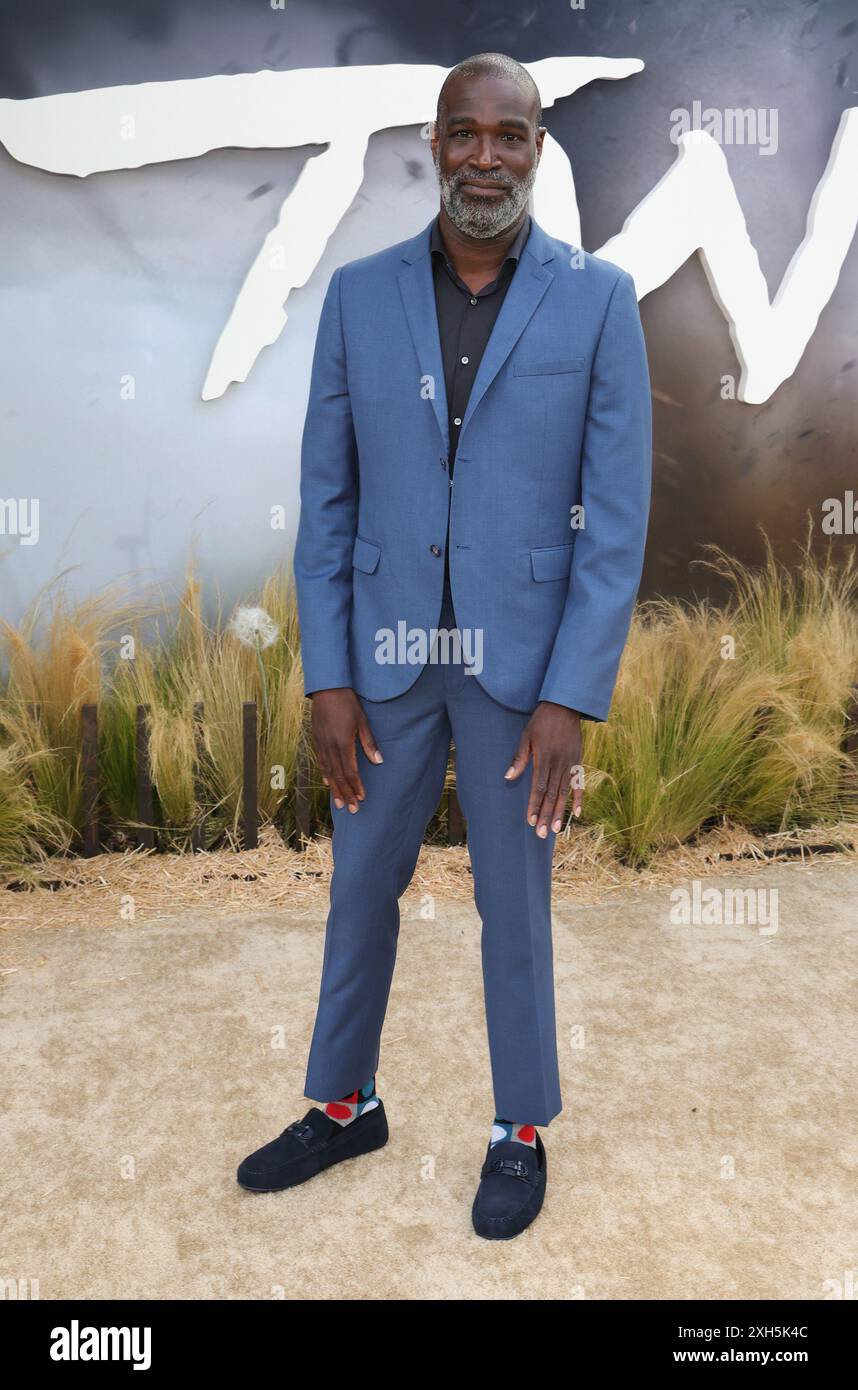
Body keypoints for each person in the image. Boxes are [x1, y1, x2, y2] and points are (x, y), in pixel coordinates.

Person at [237, 51, 652, 1240]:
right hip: (383, 663)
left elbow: (613, 528)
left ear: (535, 150)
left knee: (510, 902)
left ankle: (518, 1128)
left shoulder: (598, 300)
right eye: (464, 132)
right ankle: (342, 1101)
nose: (485, 155)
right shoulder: (358, 297)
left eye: (508, 135)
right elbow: (327, 504)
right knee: (359, 885)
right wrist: (326, 672)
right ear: (434, 141)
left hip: (526, 677)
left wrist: (572, 693)